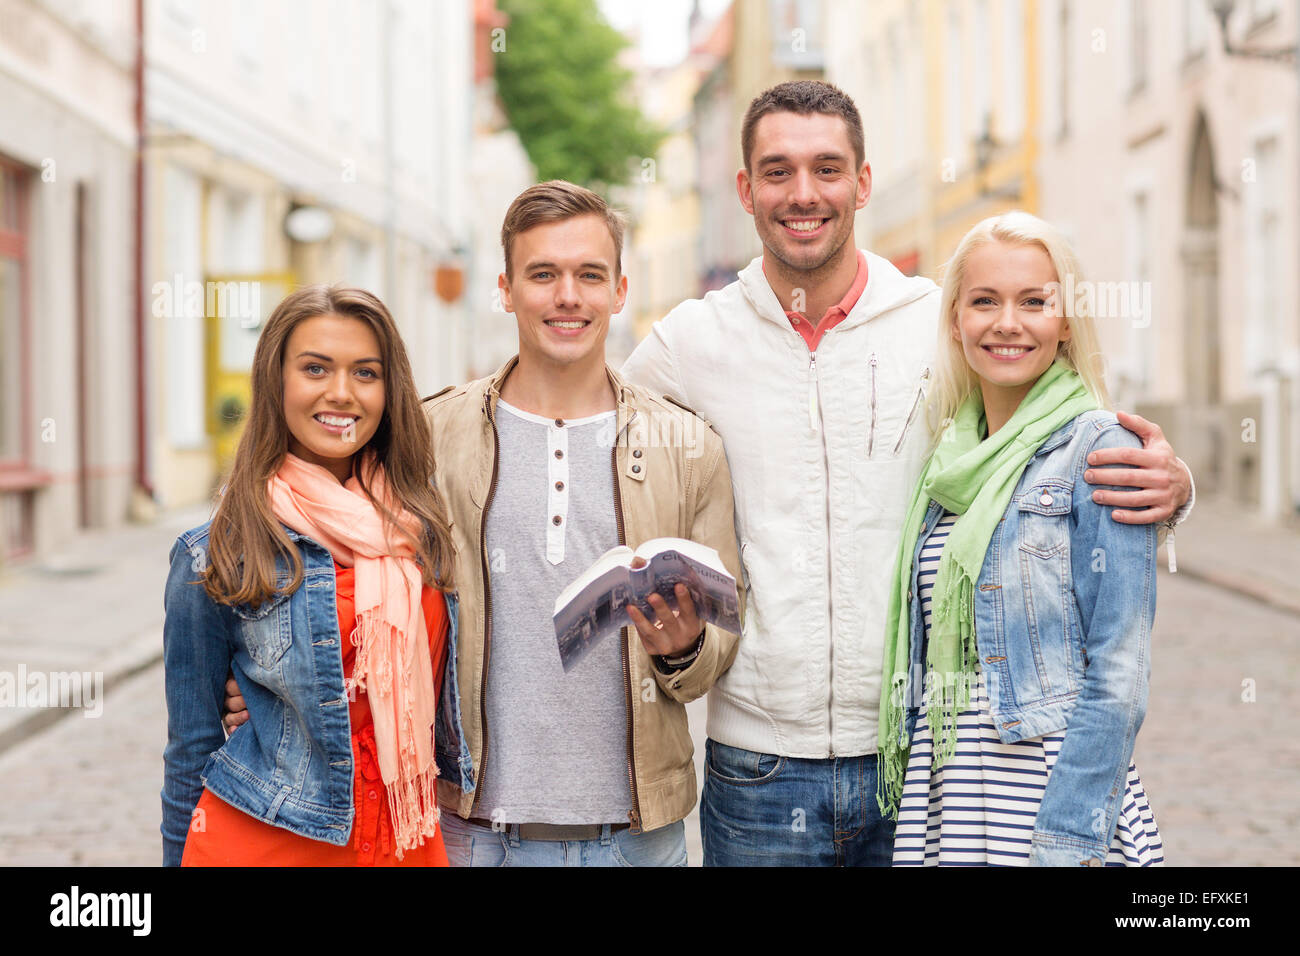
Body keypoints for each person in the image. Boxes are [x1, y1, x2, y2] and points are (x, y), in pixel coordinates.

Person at [621, 80, 1191, 866]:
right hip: (759, 767)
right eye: (778, 171)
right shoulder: (691, 340)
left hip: (920, 764)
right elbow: (593, 429)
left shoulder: (941, 319)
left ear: (861, 181)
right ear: (746, 189)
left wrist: (1173, 486)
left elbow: (1046, 438)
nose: (804, 193)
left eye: (827, 168)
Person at [881, 212, 1164, 866]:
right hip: (952, 799)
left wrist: (1067, 837)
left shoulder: (1102, 449)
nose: (1007, 322)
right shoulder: (946, 460)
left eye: (1034, 301)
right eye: (985, 301)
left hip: (1049, 806)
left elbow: (1120, 671)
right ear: (956, 320)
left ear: (1065, 322)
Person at [161, 285, 459, 866]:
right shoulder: (216, 552)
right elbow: (190, 750)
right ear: (277, 383)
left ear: (389, 390)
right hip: (270, 847)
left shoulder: (423, 530)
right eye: (315, 368)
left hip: (403, 842)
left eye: (365, 373)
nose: (341, 393)